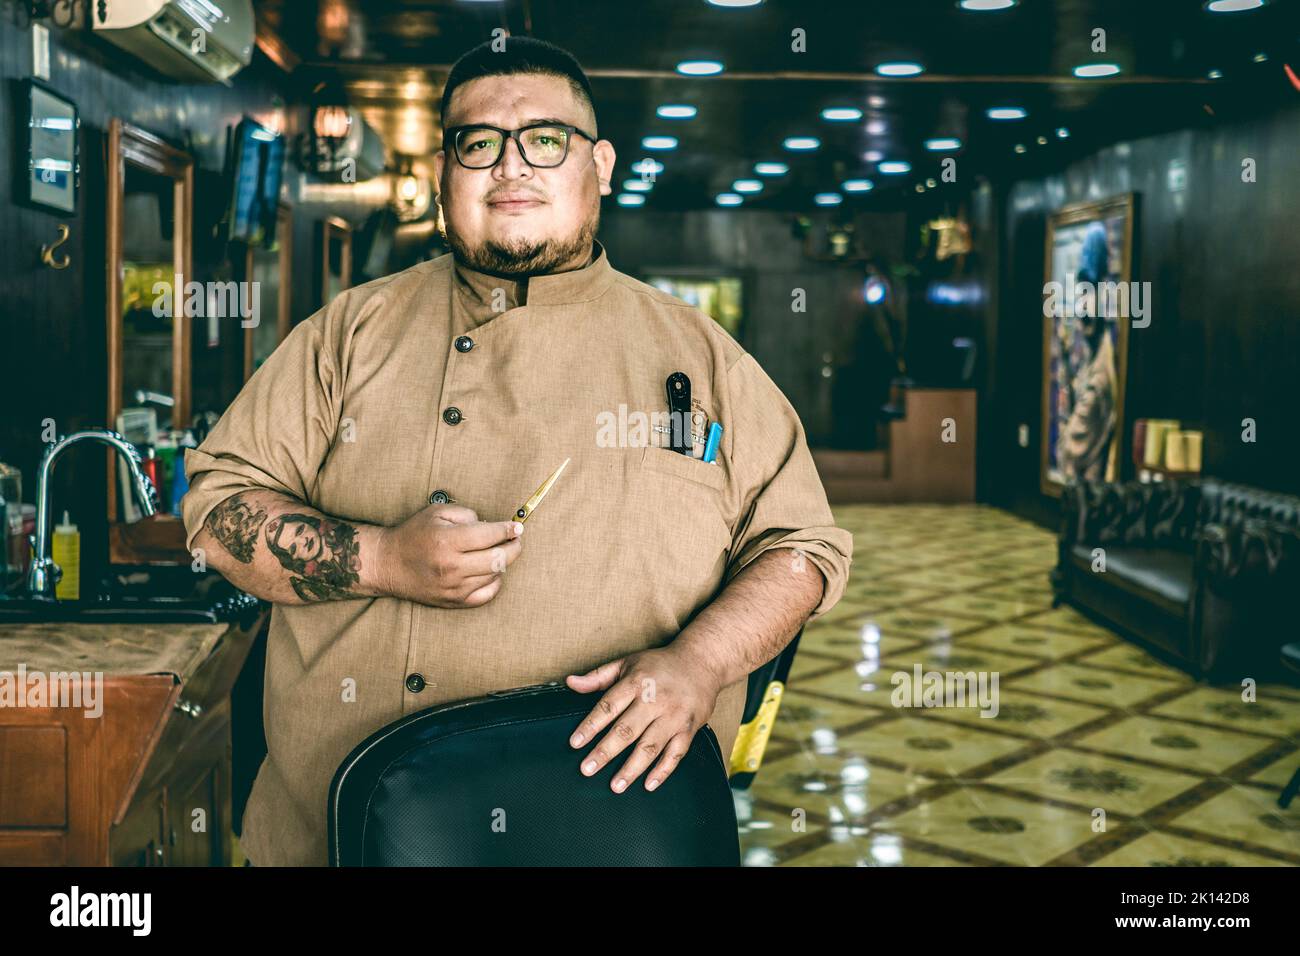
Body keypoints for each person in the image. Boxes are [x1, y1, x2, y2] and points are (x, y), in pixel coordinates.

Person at [183, 36, 852, 866]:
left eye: (545, 139)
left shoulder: (700, 355)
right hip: (336, 832)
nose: (512, 168)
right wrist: (384, 557)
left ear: (600, 165)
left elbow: (804, 548)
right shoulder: (348, 336)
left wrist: (699, 663)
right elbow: (217, 513)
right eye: (479, 144)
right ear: (442, 173)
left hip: (617, 827)